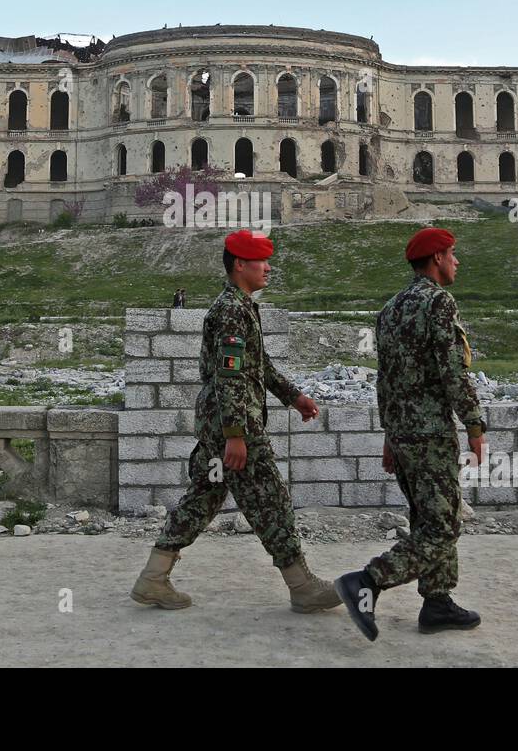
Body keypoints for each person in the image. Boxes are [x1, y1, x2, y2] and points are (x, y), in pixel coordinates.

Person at [131, 229, 341, 613]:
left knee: (203, 498)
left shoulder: (241, 306)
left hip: (222, 423)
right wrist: (236, 435)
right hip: (234, 423)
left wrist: (293, 396)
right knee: (272, 500)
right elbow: (231, 377)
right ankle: (302, 586)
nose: (268, 268)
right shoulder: (231, 310)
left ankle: (152, 578)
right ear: (240, 265)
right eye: (262, 261)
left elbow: (257, 366)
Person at [335, 227, 485, 641]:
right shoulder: (438, 302)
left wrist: (389, 434)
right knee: (443, 526)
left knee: (427, 518)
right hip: (429, 432)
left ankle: (437, 602)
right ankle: (367, 580)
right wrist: (474, 423)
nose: (457, 262)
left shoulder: (390, 308)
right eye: (452, 254)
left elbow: (388, 379)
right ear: (436, 258)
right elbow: (452, 371)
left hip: (402, 432)